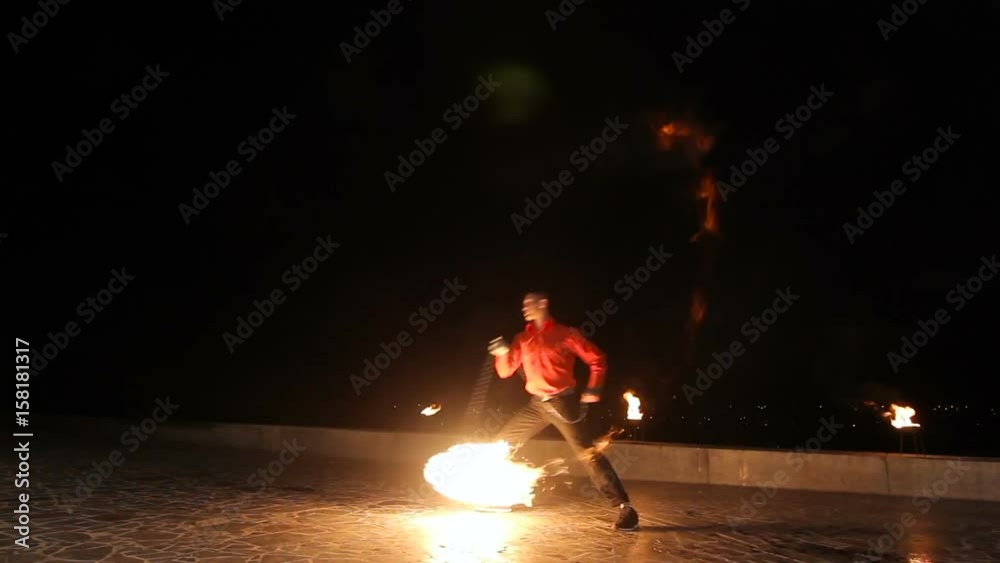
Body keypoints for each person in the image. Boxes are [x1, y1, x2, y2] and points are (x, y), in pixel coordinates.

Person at [488, 291, 639, 531]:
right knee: (501, 443)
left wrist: (593, 389)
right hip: (536, 405)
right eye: (523, 303)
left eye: (529, 303)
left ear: (544, 304)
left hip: (562, 404)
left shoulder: (566, 334)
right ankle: (502, 495)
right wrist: (501, 354)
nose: (524, 307)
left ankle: (625, 509)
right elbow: (505, 372)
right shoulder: (521, 338)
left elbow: (597, 359)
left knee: (588, 453)